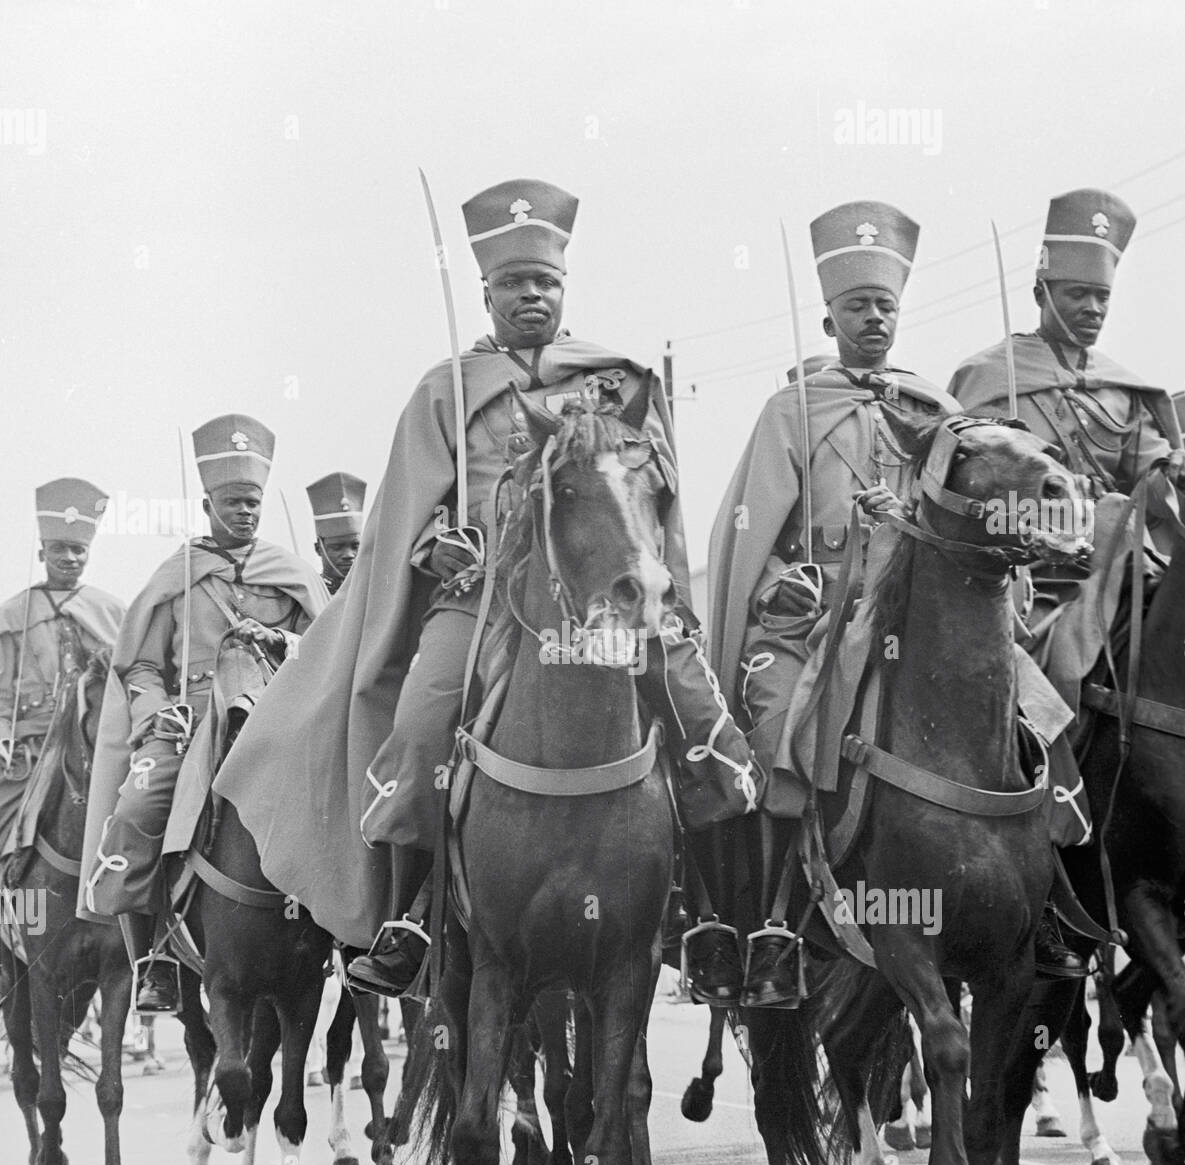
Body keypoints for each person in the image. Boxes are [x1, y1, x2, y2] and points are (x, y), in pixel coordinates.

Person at [214, 177, 759, 999]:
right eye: (513, 284)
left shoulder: (616, 380)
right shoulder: (445, 390)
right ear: (488, 292)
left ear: (563, 288)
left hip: (602, 598)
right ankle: (407, 920)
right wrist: (436, 546)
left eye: (543, 282)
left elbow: (656, 487)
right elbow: (404, 518)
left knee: (696, 709)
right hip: (482, 598)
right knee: (422, 718)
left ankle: (713, 916)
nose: (529, 296)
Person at [704, 201, 961, 1006]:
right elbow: (748, 531)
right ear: (829, 317)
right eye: (857, 307)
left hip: (912, 620)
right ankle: (777, 923)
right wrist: (785, 580)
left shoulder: (935, 409)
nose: (874, 317)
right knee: (780, 727)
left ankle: (1046, 903)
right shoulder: (792, 410)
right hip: (808, 624)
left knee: (1031, 720)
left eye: (884, 305)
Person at [949, 189, 1183, 977]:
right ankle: (1043, 860)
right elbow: (973, 488)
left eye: (1101, 298)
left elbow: (1154, 479)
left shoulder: (1125, 388)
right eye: (1077, 295)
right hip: (1038, 585)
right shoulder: (991, 377)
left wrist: (1162, 480)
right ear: (1041, 289)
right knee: (1044, 682)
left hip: (1128, 573)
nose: (1090, 311)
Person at [78, 416, 328, 1012]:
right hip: (189, 725)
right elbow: (139, 666)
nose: (244, 513)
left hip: (275, 722)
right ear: (208, 503)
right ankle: (154, 960)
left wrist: (280, 644)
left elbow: (324, 651)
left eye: (253, 503)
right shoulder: (178, 578)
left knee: (341, 797)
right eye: (233, 502)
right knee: (137, 806)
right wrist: (156, 712)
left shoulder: (289, 576)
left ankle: (357, 933)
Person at [0, 479, 124, 859]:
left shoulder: (112, 611)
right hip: (28, 749)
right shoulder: (11, 614)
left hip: (96, 745)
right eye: (58, 548)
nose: (69, 557)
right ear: (41, 552)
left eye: (78, 549)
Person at [306, 472, 366, 595]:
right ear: (318, 549)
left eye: (355, 546)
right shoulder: (309, 594)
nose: (349, 555)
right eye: (337, 547)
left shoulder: (371, 593)